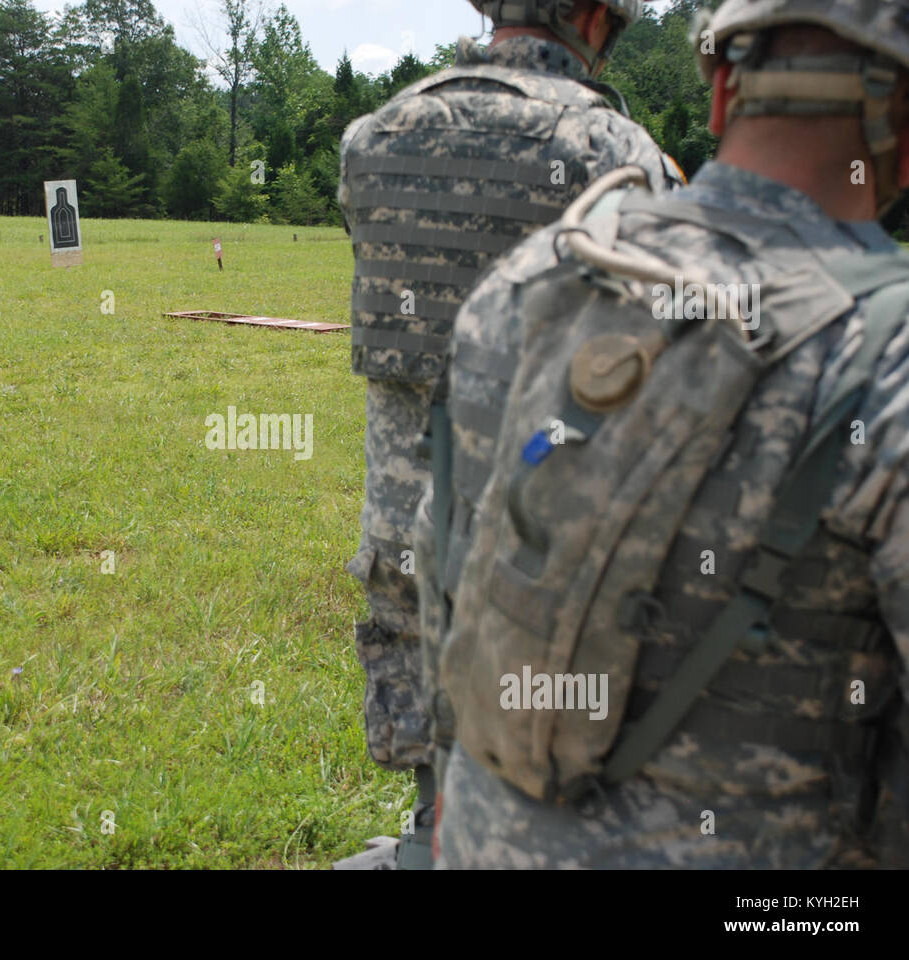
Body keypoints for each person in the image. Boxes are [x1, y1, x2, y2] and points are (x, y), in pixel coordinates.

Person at [424, 0, 909, 868]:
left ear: (723, 89)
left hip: (484, 835)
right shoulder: (884, 354)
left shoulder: (535, 278)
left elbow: (447, 582)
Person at [336, 0, 666, 870]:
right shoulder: (613, 155)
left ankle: (429, 836)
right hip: (540, 518)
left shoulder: (375, 135)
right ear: (598, 18)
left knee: (427, 659)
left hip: (403, 522)